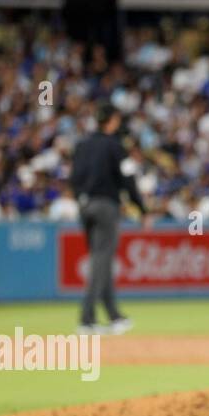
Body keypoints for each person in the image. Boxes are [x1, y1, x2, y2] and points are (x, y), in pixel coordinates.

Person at [69, 103, 149, 334]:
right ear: (111, 121)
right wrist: (142, 210)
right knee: (101, 262)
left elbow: (73, 178)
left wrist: (81, 198)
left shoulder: (82, 146)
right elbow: (128, 181)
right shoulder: (115, 146)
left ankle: (114, 316)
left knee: (100, 261)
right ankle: (87, 319)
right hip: (106, 206)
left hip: (85, 206)